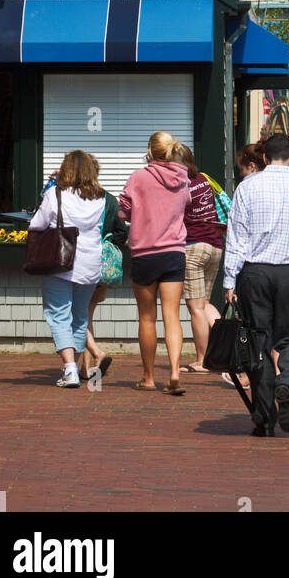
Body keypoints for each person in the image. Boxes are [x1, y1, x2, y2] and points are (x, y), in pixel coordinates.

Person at [223, 133, 289, 437]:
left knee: (258, 343)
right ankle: (287, 384)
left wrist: (229, 279)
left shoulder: (247, 187)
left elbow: (236, 239)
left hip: (254, 273)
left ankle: (264, 416)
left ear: (265, 157)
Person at [118, 131, 191, 395]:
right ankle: (173, 371)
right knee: (172, 315)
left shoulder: (138, 178)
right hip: (174, 252)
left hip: (145, 253)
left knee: (147, 318)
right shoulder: (183, 179)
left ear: (150, 151)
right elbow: (186, 208)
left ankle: (148, 378)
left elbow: (123, 212)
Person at [28, 151, 109, 389]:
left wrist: (52, 185)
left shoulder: (56, 194)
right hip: (90, 264)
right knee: (80, 316)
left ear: (66, 169)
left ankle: (70, 370)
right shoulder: (100, 198)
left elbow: (37, 223)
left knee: (59, 315)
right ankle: (77, 370)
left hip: (61, 263)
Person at [174, 146, 224, 373]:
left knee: (195, 308)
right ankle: (227, 344)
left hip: (194, 246)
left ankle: (202, 360)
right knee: (203, 304)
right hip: (215, 244)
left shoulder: (179, 185)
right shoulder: (204, 178)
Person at [79, 188, 128, 383]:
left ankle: (95, 355)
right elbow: (121, 231)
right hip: (103, 265)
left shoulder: (75, 197)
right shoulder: (108, 199)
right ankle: (86, 369)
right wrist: (107, 245)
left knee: (78, 315)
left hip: (81, 264)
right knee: (87, 315)